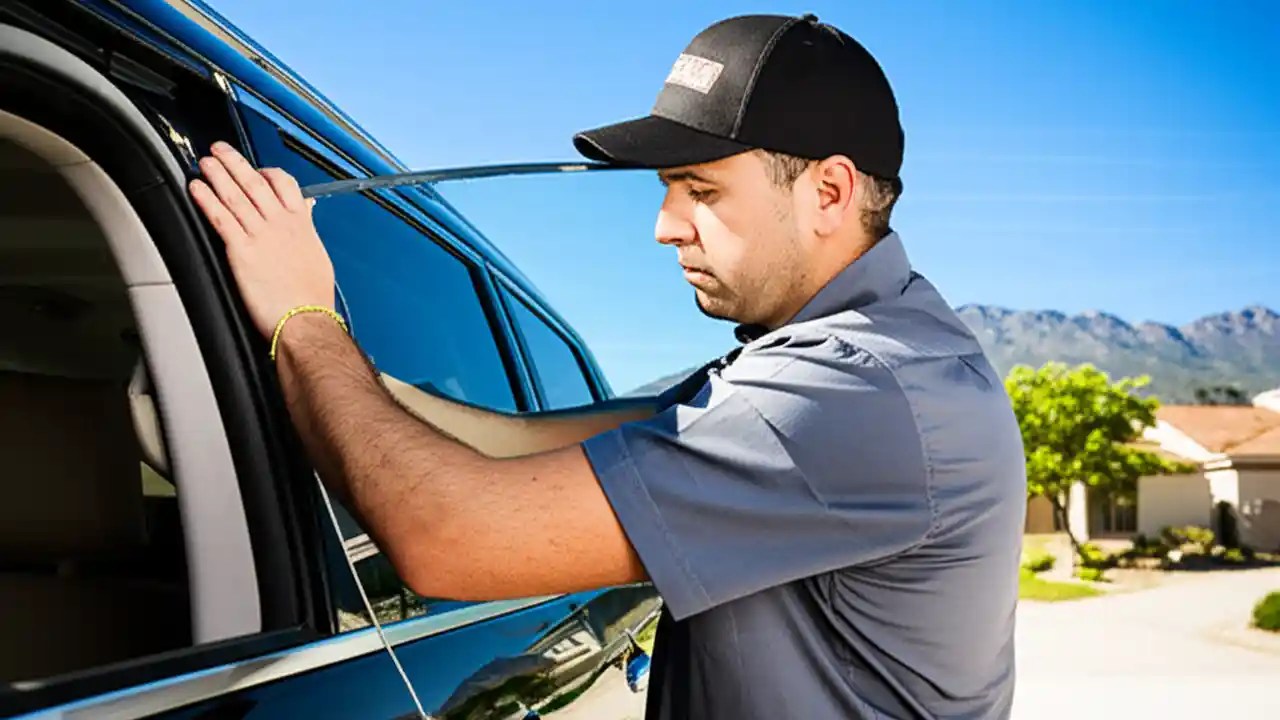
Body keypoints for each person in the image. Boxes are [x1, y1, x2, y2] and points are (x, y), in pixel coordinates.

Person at [188, 12, 1027, 720]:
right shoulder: (826, 366)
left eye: (702, 191)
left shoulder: (855, 390)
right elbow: (507, 442)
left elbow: (447, 538)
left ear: (830, 193)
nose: (665, 226)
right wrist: (296, 377)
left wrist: (301, 317)